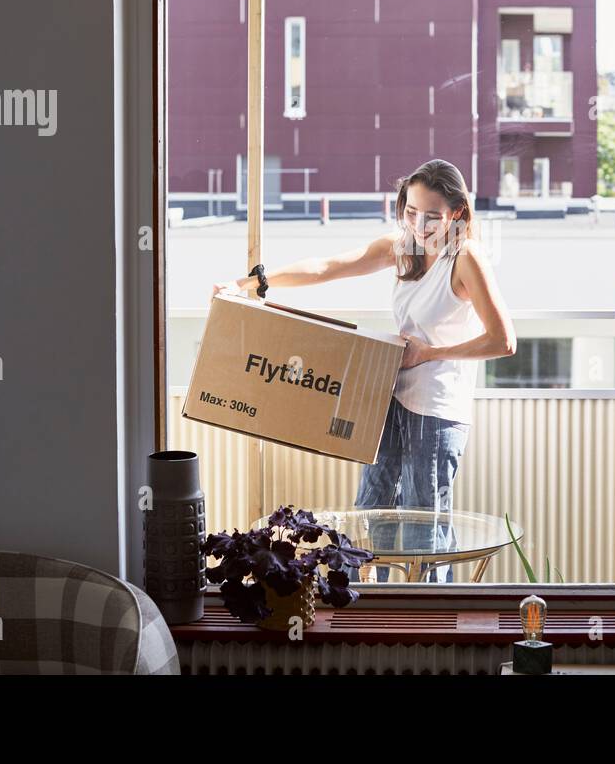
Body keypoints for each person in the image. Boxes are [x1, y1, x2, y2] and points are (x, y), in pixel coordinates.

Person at [214, 158, 515, 584]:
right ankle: (366, 611)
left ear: (458, 214)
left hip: (436, 409)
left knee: (423, 530)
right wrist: (249, 285)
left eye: (432, 216)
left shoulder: (464, 257)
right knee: (369, 515)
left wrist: (429, 353)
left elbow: (503, 340)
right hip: (389, 398)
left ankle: (431, 624)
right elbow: (328, 267)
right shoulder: (404, 247)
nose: (419, 225)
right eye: (411, 212)